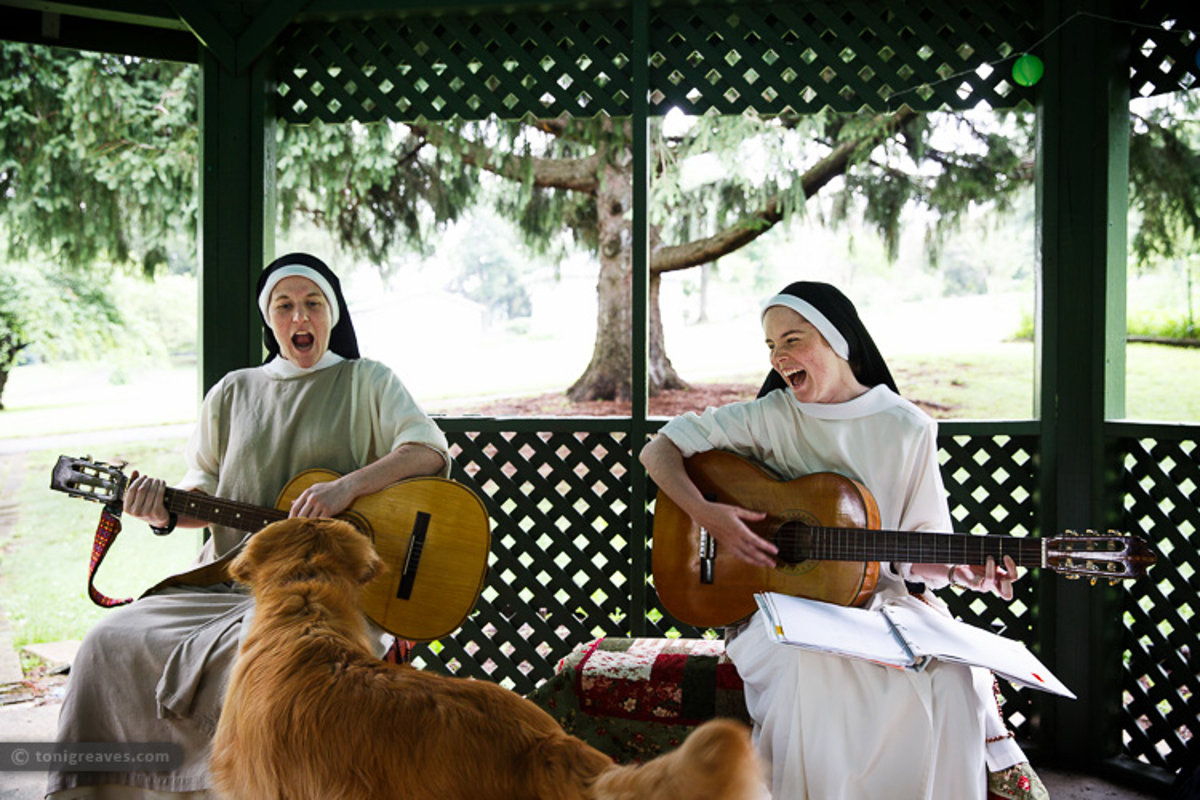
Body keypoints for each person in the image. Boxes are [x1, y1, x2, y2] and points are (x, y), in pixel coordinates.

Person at [47, 253, 451, 799]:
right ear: (270, 320)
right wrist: (162, 511)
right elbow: (204, 499)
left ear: (331, 314)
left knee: (266, 654)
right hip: (235, 584)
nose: (299, 318)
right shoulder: (233, 392)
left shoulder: (368, 381)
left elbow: (426, 451)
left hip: (339, 590)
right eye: (284, 307)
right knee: (106, 641)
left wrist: (348, 487)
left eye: (312, 304)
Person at [639, 281, 1046, 800]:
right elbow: (660, 451)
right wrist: (707, 514)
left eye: (792, 340)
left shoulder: (908, 428)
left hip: (884, 603)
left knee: (953, 682)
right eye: (770, 346)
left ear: (838, 340)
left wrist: (965, 572)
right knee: (814, 674)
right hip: (779, 605)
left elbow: (924, 547)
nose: (779, 357)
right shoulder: (771, 416)